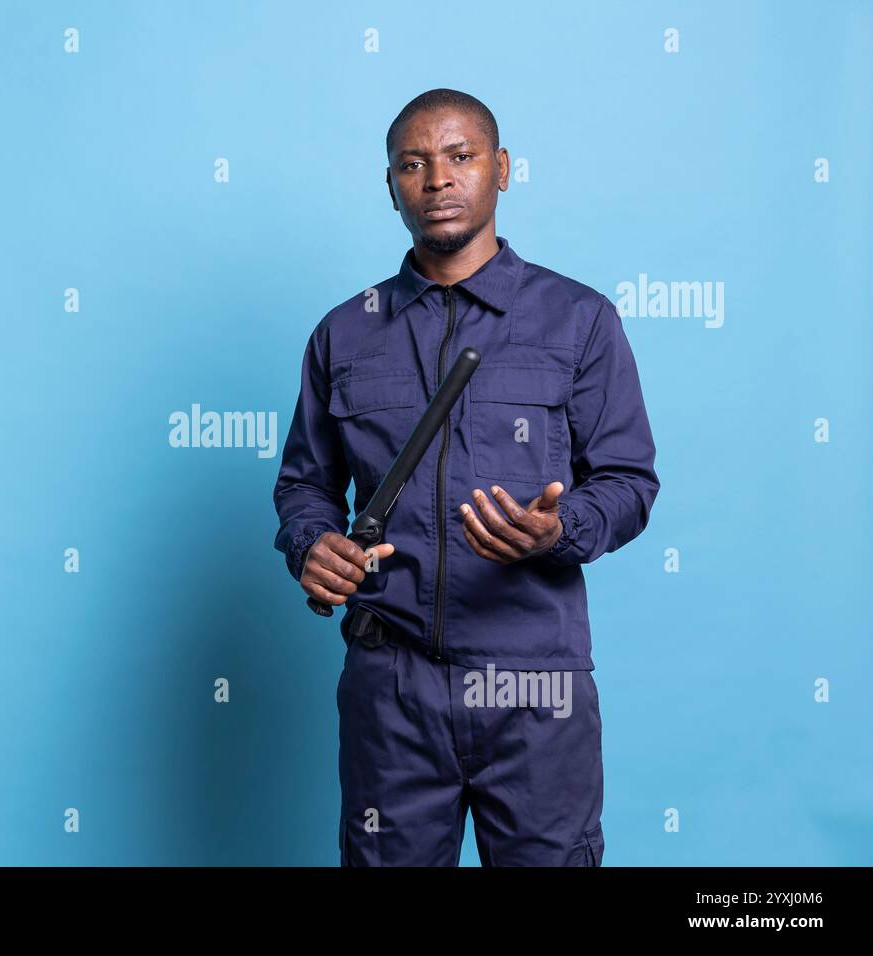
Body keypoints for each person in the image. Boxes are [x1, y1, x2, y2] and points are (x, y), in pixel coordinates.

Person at [272, 89, 660, 866]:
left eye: (460, 157)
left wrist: (561, 530)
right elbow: (304, 485)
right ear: (391, 187)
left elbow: (627, 480)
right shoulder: (345, 331)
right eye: (412, 164)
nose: (437, 179)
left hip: (533, 683)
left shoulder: (578, 319)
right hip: (391, 687)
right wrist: (312, 542)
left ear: (502, 170)